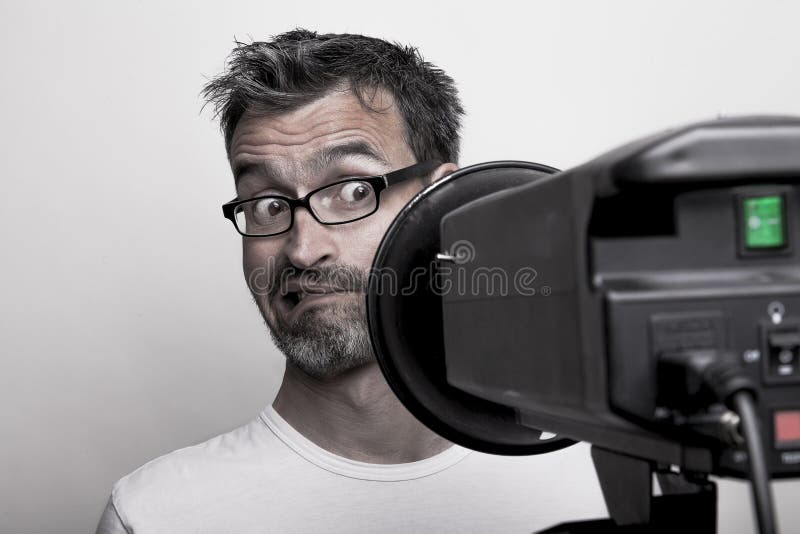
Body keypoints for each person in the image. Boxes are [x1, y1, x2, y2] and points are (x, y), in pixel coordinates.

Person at [96, 29, 607, 533]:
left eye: (352, 191)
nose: (302, 249)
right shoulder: (155, 515)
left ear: (444, 201)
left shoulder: (609, 484)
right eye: (268, 205)